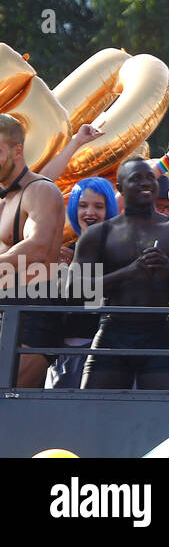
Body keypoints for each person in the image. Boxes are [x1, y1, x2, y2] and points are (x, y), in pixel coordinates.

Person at [75, 158, 169, 389]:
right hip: (113, 328)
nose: (145, 183)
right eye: (136, 178)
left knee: (167, 411)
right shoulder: (100, 234)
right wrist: (127, 273)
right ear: (120, 188)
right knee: (91, 409)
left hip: (161, 332)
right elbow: (74, 291)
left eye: (150, 177)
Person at [0, 113, 73, 387]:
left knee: (8, 406)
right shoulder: (5, 198)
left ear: (18, 150)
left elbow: (38, 246)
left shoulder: (40, 190)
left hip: (32, 311)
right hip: (6, 308)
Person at [46, 177, 118, 389]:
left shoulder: (119, 250)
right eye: (83, 205)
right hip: (63, 357)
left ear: (110, 209)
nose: (90, 213)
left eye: (98, 206)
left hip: (105, 355)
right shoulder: (62, 250)